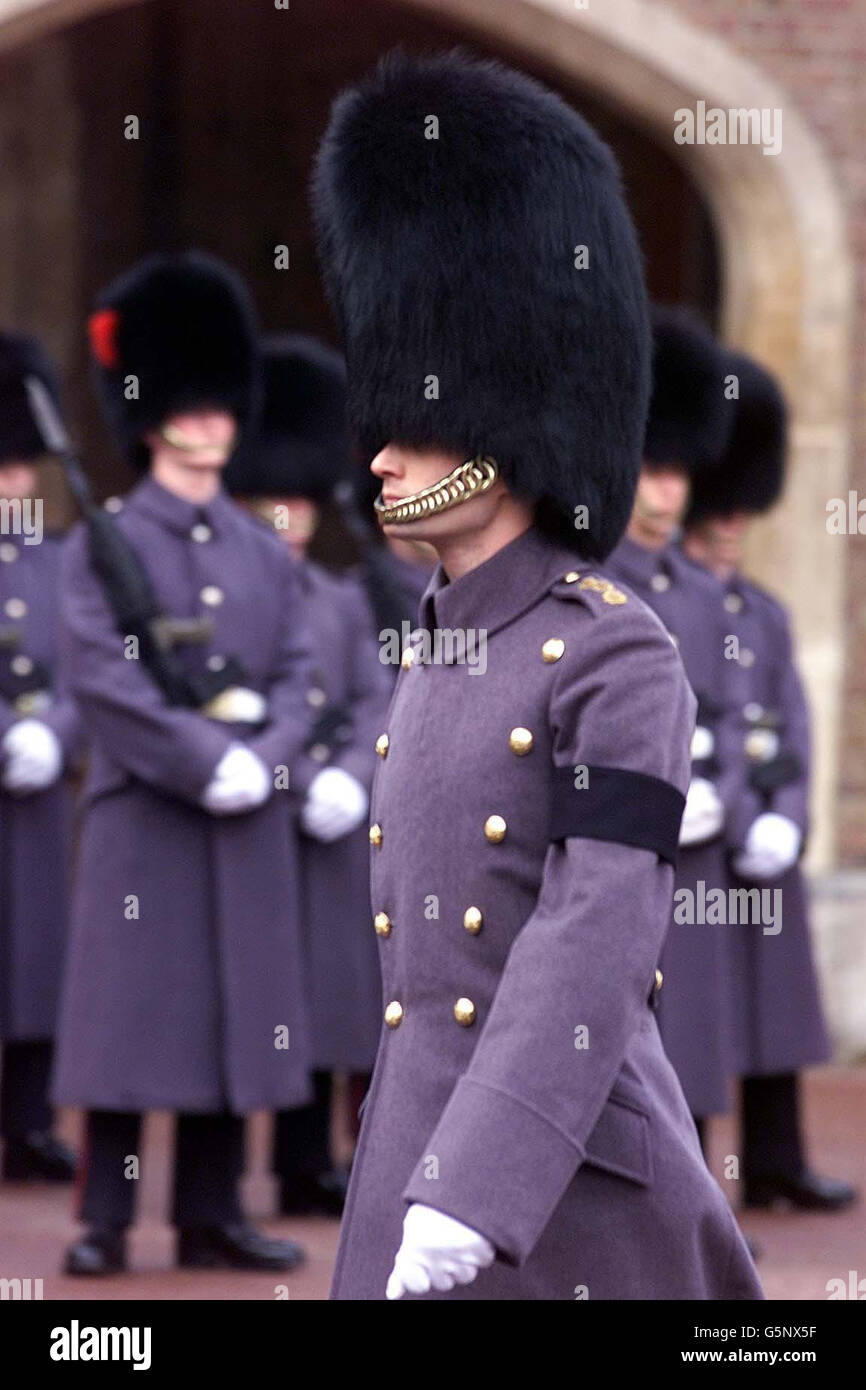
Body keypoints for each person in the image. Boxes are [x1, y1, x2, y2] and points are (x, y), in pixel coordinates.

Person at [312, 51, 762, 1300]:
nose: (384, 457)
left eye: (419, 424)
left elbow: (594, 932)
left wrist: (475, 1188)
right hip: (415, 1147)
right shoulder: (442, 633)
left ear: (505, 440)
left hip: (553, 1183)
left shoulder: (614, 647)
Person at [52, 252, 317, 1275]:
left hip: (244, 812)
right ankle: (103, 1222)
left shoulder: (259, 551)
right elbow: (106, 685)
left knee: (229, 1024)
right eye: (190, 406)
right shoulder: (106, 544)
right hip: (147, 820)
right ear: (152, 415)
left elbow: (301, 676)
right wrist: (205, 756)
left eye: (219, 405)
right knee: (127, 1035)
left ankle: (211, 1215)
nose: (209, 423)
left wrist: (270, 756)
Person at [682, 351, 856, 1212]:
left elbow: (793, 723)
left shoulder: (766, 612)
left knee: (778, 1008)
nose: (728, 523)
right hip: (708, 837)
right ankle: (705, 1186)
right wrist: (745, 812)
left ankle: (777, 1159)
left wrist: (787, 816)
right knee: (702, 1019)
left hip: (763, 841)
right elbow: (703, 722)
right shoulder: (670, 602)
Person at [224, 334, 393, 1216]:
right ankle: (283, 1162)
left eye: (299, 501)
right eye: (271, 502)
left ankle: (333, 1160)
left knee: (343, 1001)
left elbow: (376, 696)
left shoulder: (341, 597)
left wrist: (354, 772)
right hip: (262, 822)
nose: (287, 518)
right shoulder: (233, 594)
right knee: (277, 1003)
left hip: (333, 825)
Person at [607, 308, 745, 1138]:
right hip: (616, 841)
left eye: (676, 472)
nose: (667, 490)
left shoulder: (702, 597)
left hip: (693, 849)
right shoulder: (587, 584)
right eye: (652, 470)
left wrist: (721, 791)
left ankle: (694, 1214)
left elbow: (730, 713)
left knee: (691, 1031)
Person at [0, 333, 79, 1184]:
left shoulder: (63, 560)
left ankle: (26, 1123)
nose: (12, 484)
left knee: (34, 963)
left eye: (21, 468)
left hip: (42, 794)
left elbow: (89, 670)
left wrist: (53, 732)